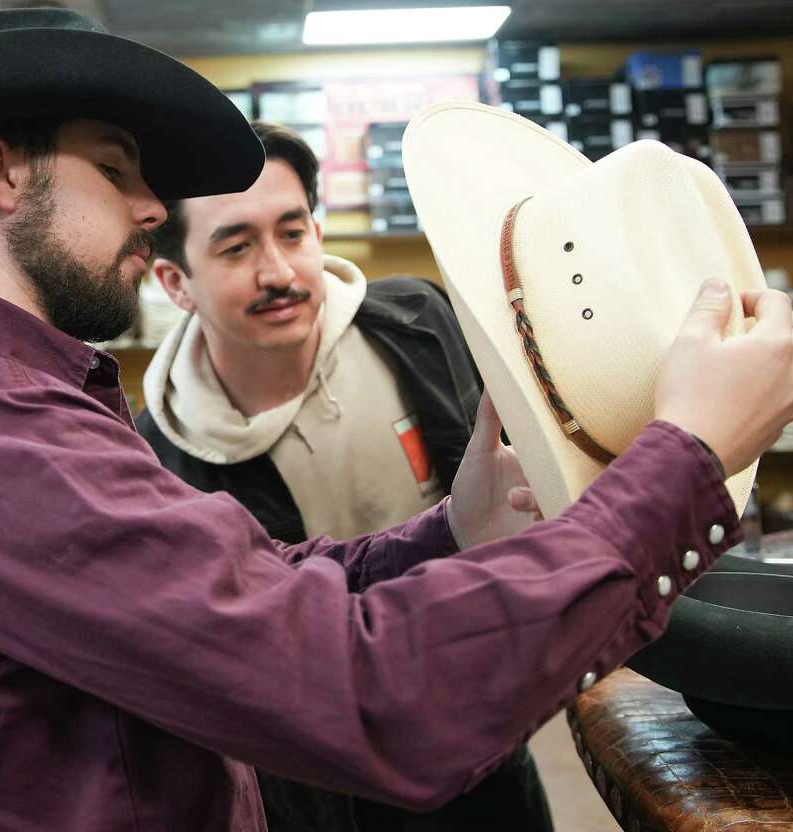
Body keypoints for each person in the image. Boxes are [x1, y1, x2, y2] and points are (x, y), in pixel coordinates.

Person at [0, 9, 793, 831]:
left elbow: (259, 588)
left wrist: (452, 533)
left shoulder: (26, 404)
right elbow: (362, 689)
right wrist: (683, 457)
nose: (148, 207)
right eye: (118, 166)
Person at [137, 121, 551, 831]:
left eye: (293, 233)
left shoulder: (419, 324)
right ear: (176, 282)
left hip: (475, 743)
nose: (279, 272)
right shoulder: (157, 458)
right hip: (313, 788)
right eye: (236, 248)